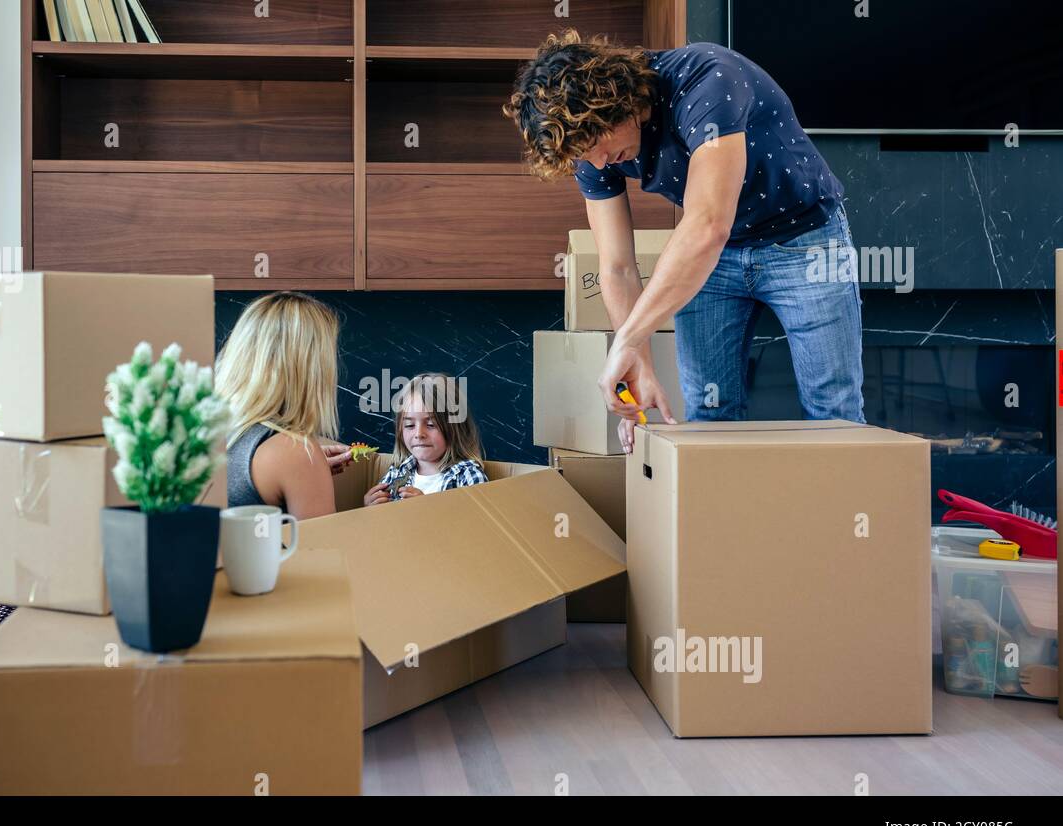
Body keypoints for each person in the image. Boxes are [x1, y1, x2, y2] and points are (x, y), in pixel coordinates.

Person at [504, 32, 863, 453]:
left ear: (614, 103)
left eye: (596, 146)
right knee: (709, 418)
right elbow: (617, 267)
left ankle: (845, 520)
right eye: (584, 157)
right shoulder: (591, 153)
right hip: (712, 261)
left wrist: (628, 340)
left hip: (805, 242)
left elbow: (709, 224)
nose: (598, 164)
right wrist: (639, 363)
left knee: (834, 415)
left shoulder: (707, 80)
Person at [217, 291, 353, 518]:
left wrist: (308, 474)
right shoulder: (296, 452)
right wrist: (307, 468)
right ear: (310, 367)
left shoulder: (205, 428)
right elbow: (322, 551)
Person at [363, 373, 487, 506]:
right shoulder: (397, 472)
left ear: (455, 428)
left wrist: (427, 508)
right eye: (409, 425)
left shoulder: (467, 475)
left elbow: (477, 522)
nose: (419, 434)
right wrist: (370, 509)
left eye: (430, 425)